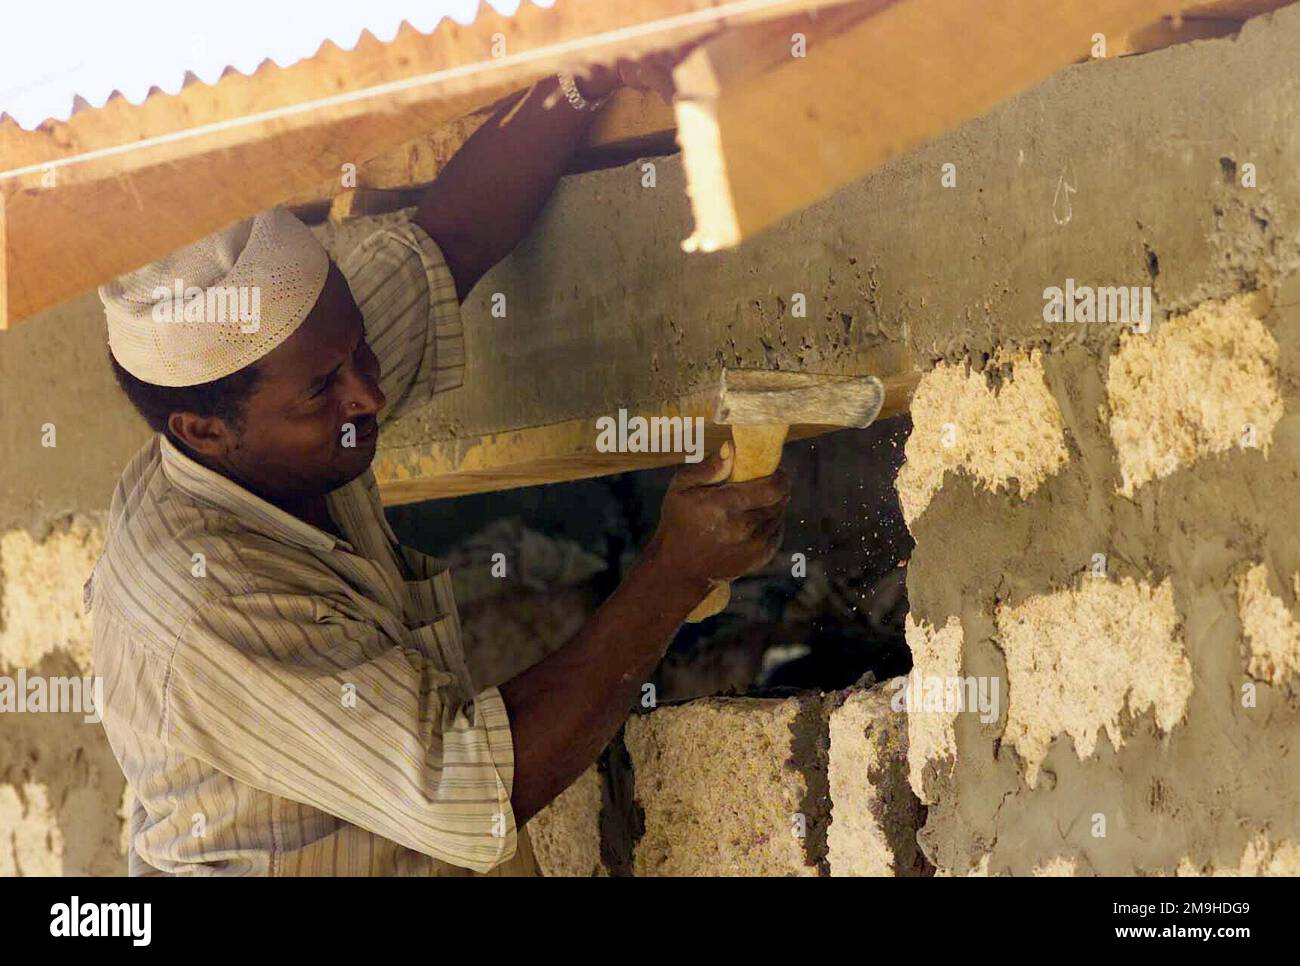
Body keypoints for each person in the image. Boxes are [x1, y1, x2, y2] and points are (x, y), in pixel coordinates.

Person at [88, 59, 790, 875]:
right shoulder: (204, 598)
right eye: (326, 388)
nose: (369, 394)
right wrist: (675, 572)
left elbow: (445, 244)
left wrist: (582, 80)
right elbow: (473, 786)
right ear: (204, 430)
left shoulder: (292, 407)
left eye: (359, 347)